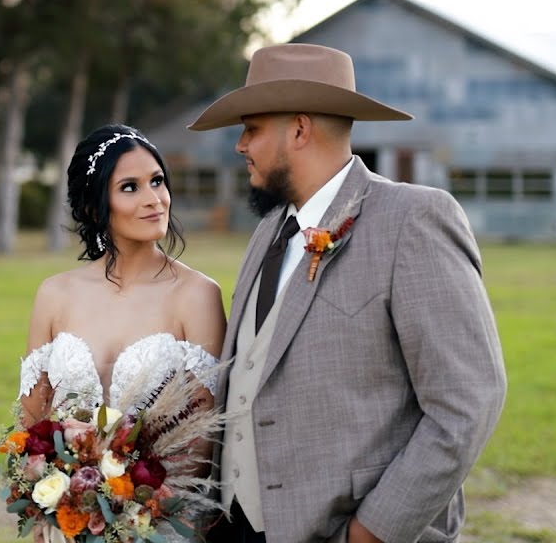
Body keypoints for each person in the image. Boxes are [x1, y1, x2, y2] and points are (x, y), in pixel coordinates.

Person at [190, 44, 507, 543]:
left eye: (250, 129)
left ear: (299, 129)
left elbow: (468, 400)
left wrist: (369, 533)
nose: (240, 145)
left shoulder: (412, 220)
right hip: (237, 527)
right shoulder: (269, 229)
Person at [19, 122, 227, 434]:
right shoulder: (54, 294)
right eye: (130, 187)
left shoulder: (197, 295)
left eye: (157, 181)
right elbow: (29, 429)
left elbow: (203, 437)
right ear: (93, 207)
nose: (154, 199)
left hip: (166, 483)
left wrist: (125, 477)